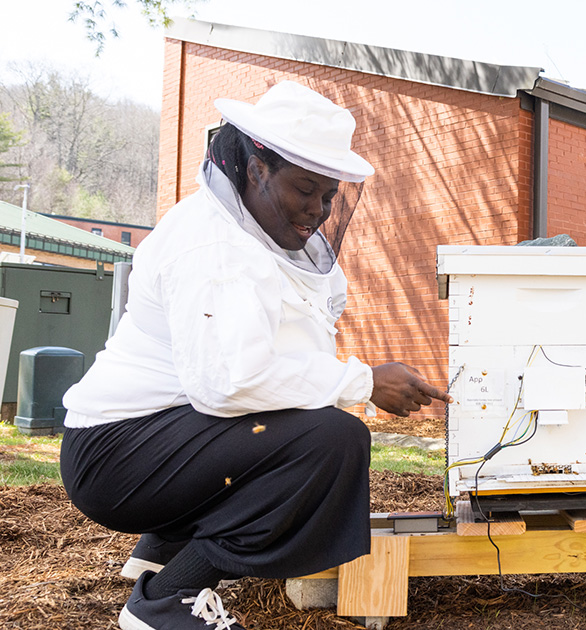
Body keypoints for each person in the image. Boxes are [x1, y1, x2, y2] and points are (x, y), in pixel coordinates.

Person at [58, 81, 450, 630]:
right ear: (257, 169)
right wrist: (363, 382)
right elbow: (230, 383)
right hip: (116, 455)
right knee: (330, 440)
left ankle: (165, 546)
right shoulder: (215, 247)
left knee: (310, 422)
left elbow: (287, 350)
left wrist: (349, 380)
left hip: (152, 437)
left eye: (328, 197)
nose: (317, 211)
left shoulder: (257, 234)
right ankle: (166, 600)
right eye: (305, 189)